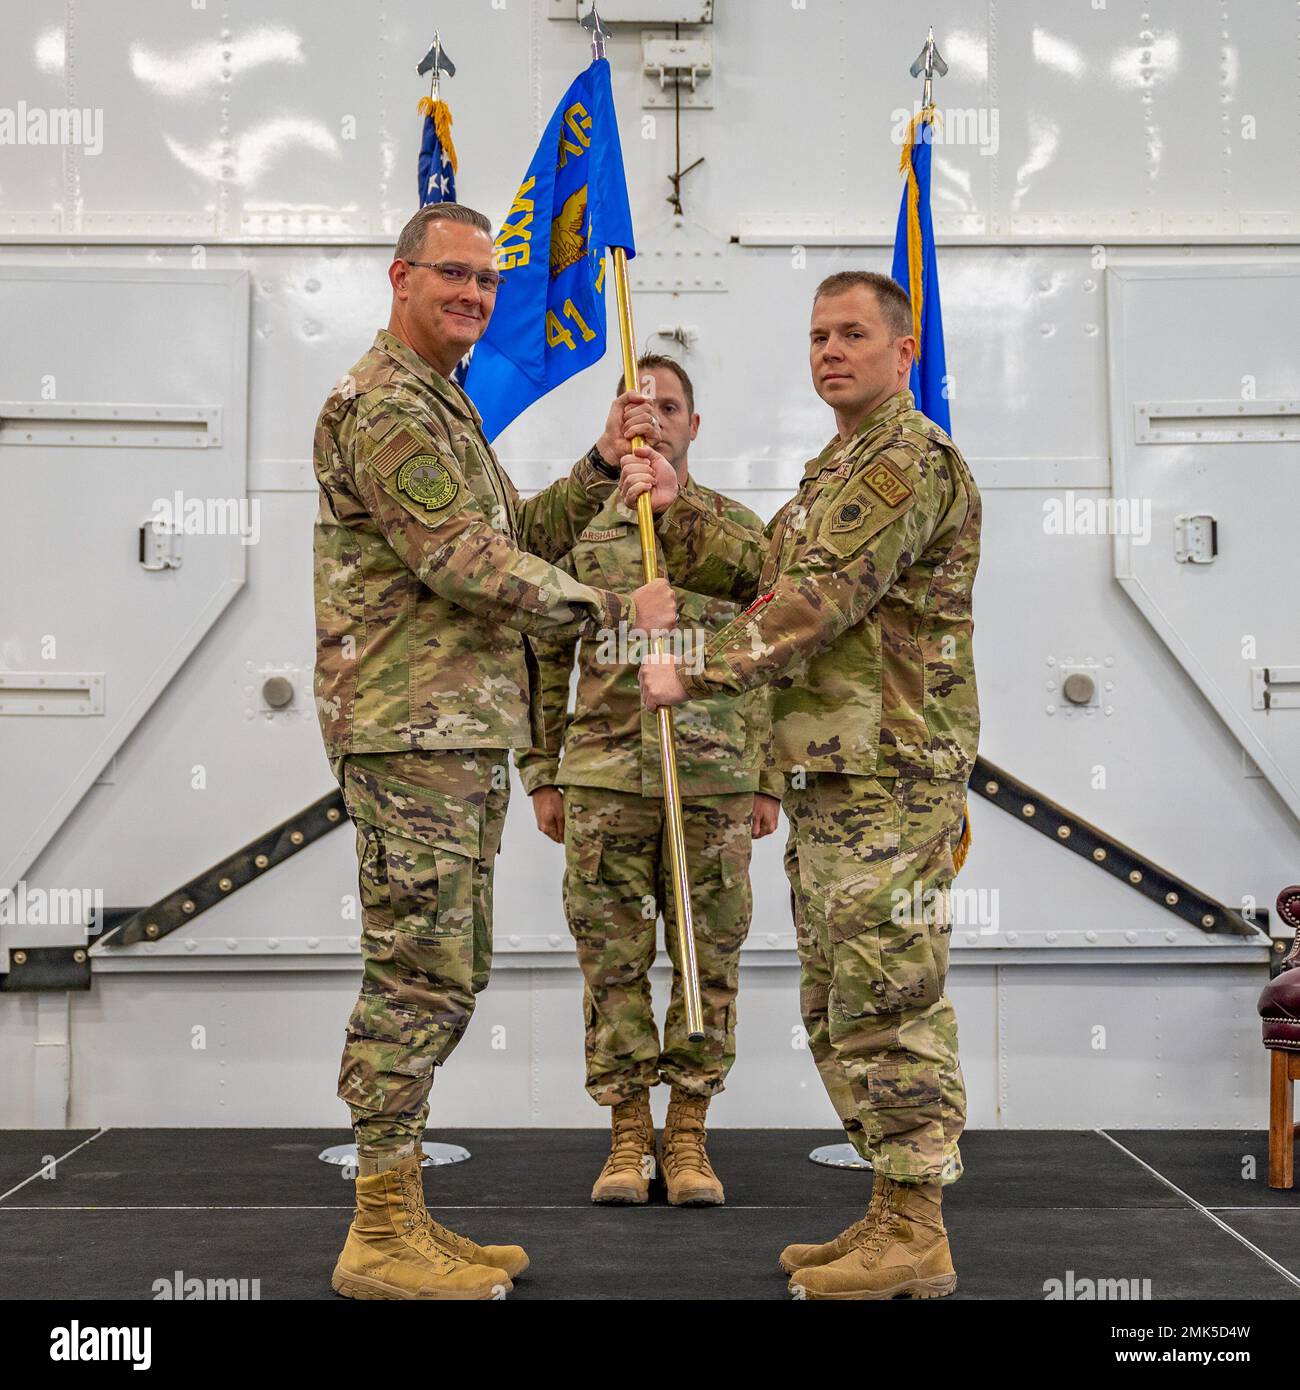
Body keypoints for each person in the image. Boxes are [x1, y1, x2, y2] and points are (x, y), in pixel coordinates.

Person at [312, 201, 675, 1300]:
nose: (472, 295)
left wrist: (599, 461)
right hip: (412, 731)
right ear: (400, 277)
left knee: (447, 967)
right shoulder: (381, 407)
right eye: (453, 276)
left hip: (458, 731)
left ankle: (406, 1213)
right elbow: (464, 562)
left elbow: (513, 535)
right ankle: (377, 1229)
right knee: (416, 973)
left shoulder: (444, 405)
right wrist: (619, 608)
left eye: (485, 281)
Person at [629, 270, 981, 1300]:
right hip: (838, 772)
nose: (830, 350)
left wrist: (683, 665)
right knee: (839, 1000)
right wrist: (673, 502)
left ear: (902, 352)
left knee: (889, 994)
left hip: (892, 775)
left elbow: (818, 599)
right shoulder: (839, 464)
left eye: (854, 334)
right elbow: (768, 566)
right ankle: (888, 1213)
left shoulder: (904, 462)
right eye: (819, 335)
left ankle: (917, 1225)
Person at [517, 355, 782, 1208]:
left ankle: (691, 1134)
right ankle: (629, 1134)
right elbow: (539, 660)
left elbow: (780, 651)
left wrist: (768, 779)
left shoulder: (739, 533)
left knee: (709, 960)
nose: (654, 420)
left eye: (670, 407)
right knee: (612, 961)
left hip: (712, 783)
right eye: (639, 406)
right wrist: (541, 774)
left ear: (694, 426)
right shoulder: (580, 539)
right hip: (602, 781)